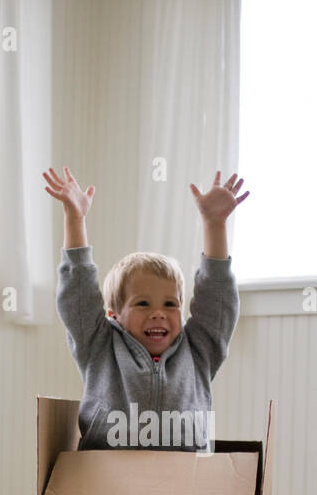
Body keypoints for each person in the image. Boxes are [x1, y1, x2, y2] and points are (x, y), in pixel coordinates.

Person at [43, 166, 250, 452]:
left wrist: (215, 225)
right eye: (143, 303)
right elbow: (77, 295)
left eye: (170, 304)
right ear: (113, 313)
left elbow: (217, 300)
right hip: (106, 484)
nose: (159, 313)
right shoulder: (99, 345)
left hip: (184, 487)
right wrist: (75, 218)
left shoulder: (199, 348)